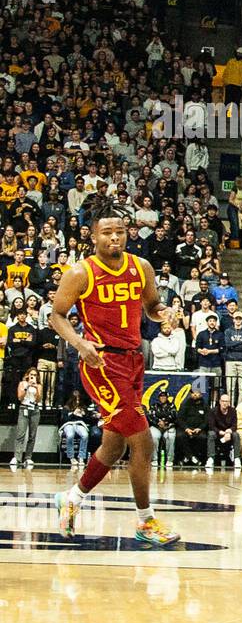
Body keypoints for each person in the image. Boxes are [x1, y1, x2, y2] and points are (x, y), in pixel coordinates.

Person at [48, 199, 179, 544]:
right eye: (107, 233)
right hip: (101, 363)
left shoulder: (142, 267)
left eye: (120, 232)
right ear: (93, 236)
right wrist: (79, 343)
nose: (115, 239)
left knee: (114, 445)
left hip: (134, 360)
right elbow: (56, 315)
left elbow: (151, 307)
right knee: (143, 439)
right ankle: (145, 521)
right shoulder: (80, 272)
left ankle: (71, 499)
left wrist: (164, 314)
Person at [9, 367, 41, 468]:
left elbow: (38, 400)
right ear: (27, 375)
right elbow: (20, 397)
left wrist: (36, 388)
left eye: (35, 375)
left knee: (32, 435)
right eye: (31, 375)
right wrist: (27, 387)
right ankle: (17, 457)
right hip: (24, 408)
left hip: (35, 410)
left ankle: (28, 457)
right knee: (20, 434)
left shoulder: (39, 385)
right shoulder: (22, 383)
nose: (33, 377)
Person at [61, 391, 92, 470]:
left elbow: (88, 420)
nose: (77, 401)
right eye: (76, 400)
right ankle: (71, 457)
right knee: (70, 435)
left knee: (85, 435)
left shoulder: (83, 407)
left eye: (78, 399)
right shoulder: (66, 408)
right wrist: (73, 414)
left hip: (80, 424)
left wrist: (84, 415)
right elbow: (64, 420)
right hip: (69, 424)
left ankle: (81, 457)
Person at [208, 392, 238, 470]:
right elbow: (211, 426)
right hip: (218, 432)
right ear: (220, 402)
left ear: (229, 402)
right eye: (223, 401)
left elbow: (235, 425)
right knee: (211, 434)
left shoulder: (233, 411)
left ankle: (237, 458)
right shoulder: (213, 411)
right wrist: (220, 432)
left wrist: (229, 431)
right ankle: (210, 458)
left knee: (236, 435)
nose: (225, 403)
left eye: (227, 401)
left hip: (228, 433)